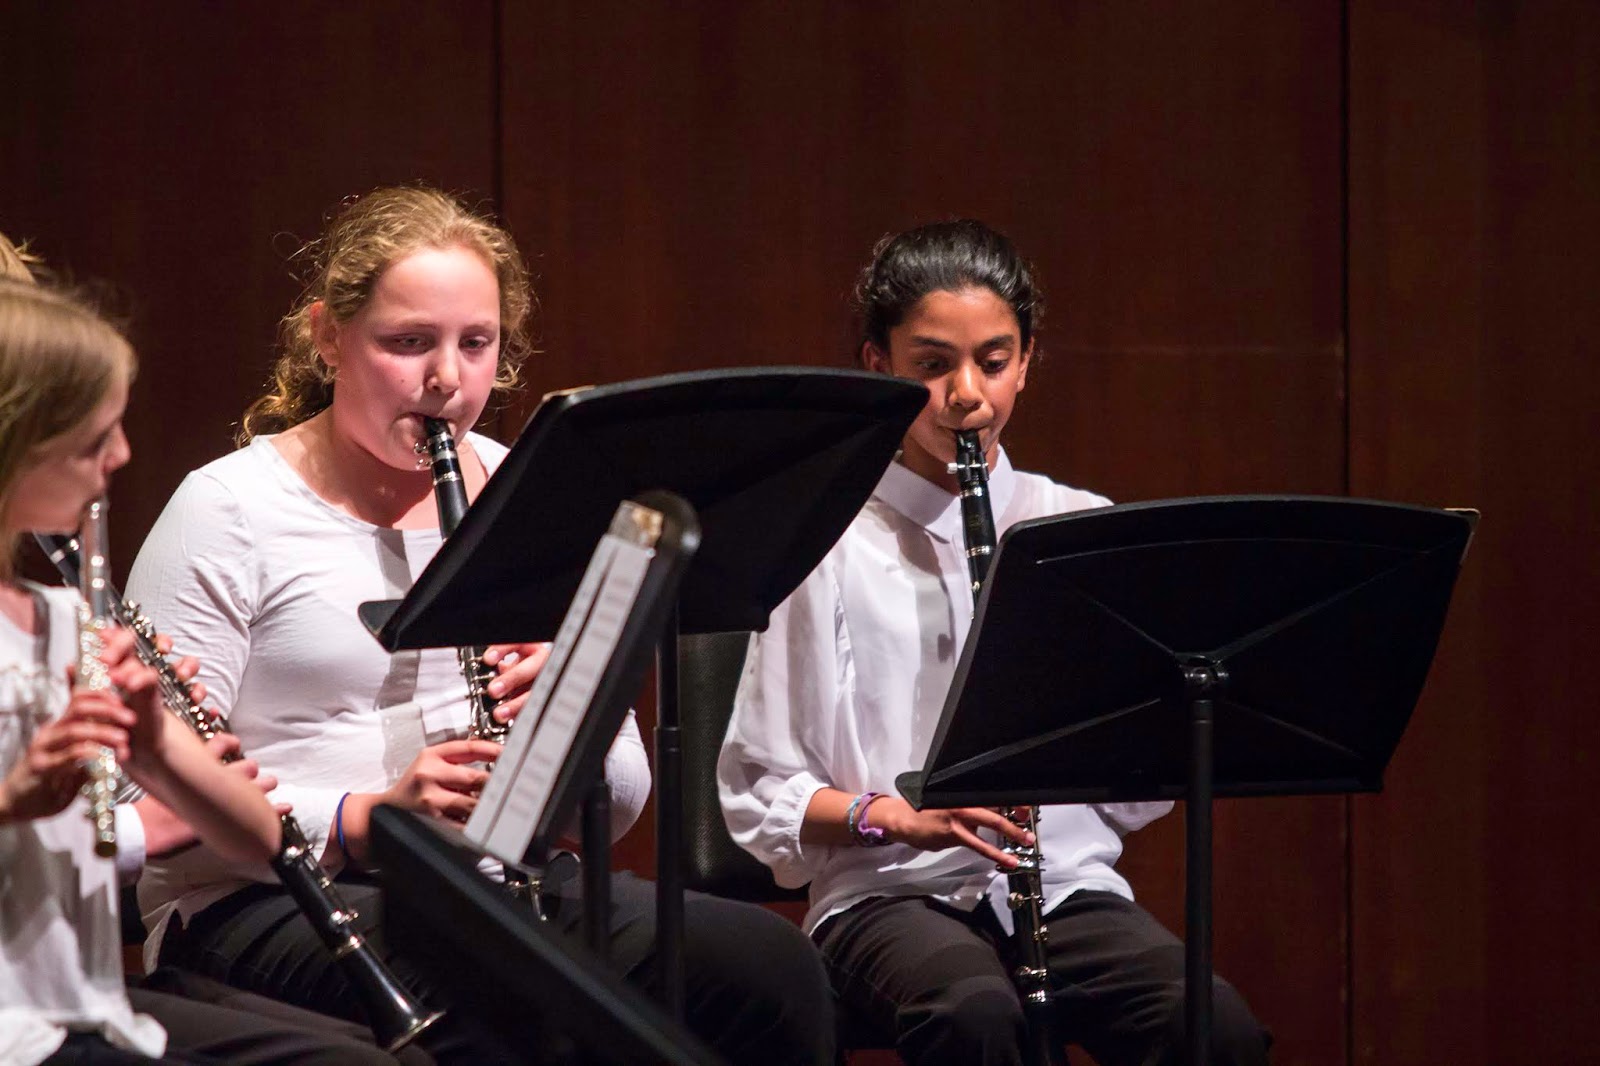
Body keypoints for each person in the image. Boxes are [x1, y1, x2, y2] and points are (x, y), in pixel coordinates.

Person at [125, 186, 834, 1065]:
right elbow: (137, 793)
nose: (447, 380)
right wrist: (367, 817)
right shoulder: (228, 509)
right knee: (509, 999)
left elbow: (614, 807)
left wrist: (572, 706)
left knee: (770, 969)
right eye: (407, 342)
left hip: (497, 887)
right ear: (326, 336)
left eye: (477, 344)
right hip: (266, 902)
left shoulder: (533, 492)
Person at [718, 220, 1271, 1066]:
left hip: (1062, 886)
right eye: (931, 365)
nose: (965, 394)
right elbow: (758, 788)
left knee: (1210, 1024)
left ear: (1028, 360)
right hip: (885, 894)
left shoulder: (1077, 528)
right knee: (975, 1016)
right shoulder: (825, 542)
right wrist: (902, 818)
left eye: (993, 360)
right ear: (880, 367)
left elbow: (1135, 785)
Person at [0, 237, 432, 1066]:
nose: (122, 457)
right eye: (94, 440)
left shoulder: (59, 621)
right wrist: (26, 801)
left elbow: (255, 839)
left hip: (76, 1003)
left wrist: (157, 740)